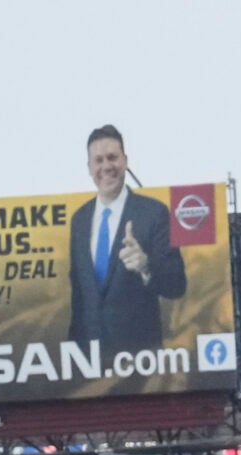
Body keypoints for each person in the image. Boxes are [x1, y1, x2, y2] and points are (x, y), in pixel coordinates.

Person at [66, 125, 185, 355]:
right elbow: (79, 296)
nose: (106, 166)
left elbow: (177, 285)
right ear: (89, 168)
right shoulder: (79, 220)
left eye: (112, 157)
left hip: (140, 360)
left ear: (125, 160)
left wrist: (146, 265)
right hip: (88, 365)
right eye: (98, 160)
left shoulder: (154, 213)